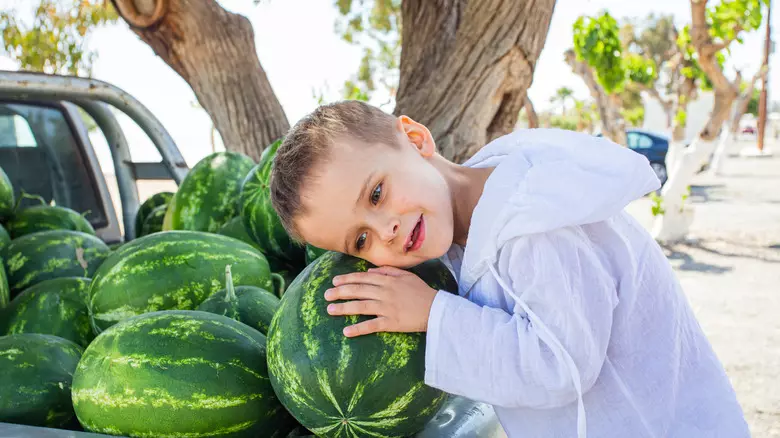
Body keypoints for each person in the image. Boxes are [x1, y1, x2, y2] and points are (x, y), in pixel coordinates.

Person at [268, 100, 749, 438]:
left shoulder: (535, 220)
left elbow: (560, 364)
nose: (385, 230)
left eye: (376, 194)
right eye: (360, 240)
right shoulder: (462, 235)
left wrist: (434, 315)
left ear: (415, 140)